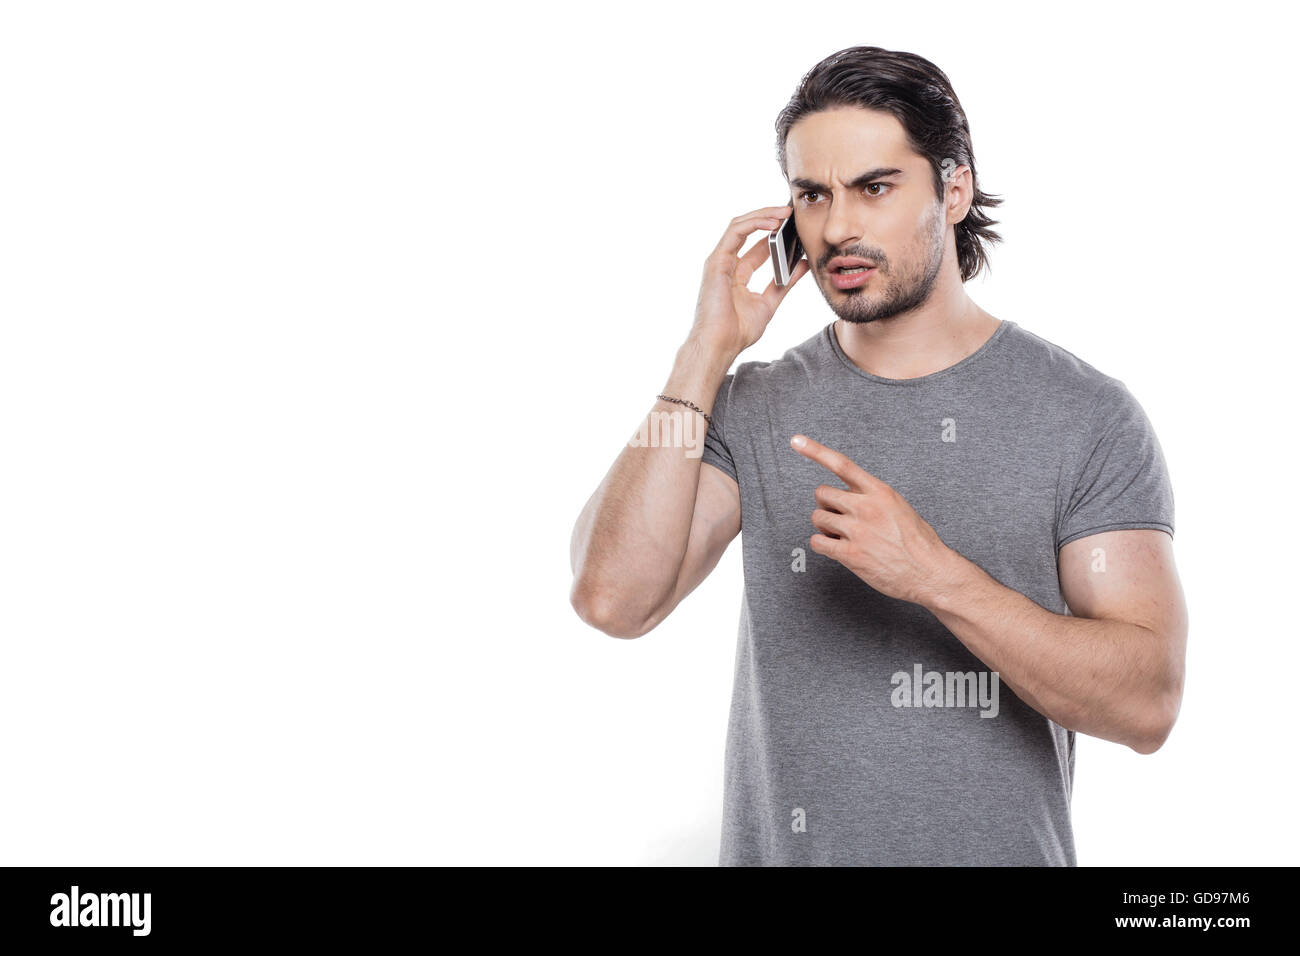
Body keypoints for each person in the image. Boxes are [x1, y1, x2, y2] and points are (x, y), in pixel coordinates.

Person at [568, 45, 1187, 866]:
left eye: (876, 187)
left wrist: (931, 574)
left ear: (954, 188)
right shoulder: (751, 405)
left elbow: (1147, 702)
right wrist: (702, 354)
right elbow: (613, 598)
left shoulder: (1084, 415)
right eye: (812, 195)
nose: (839, 227)